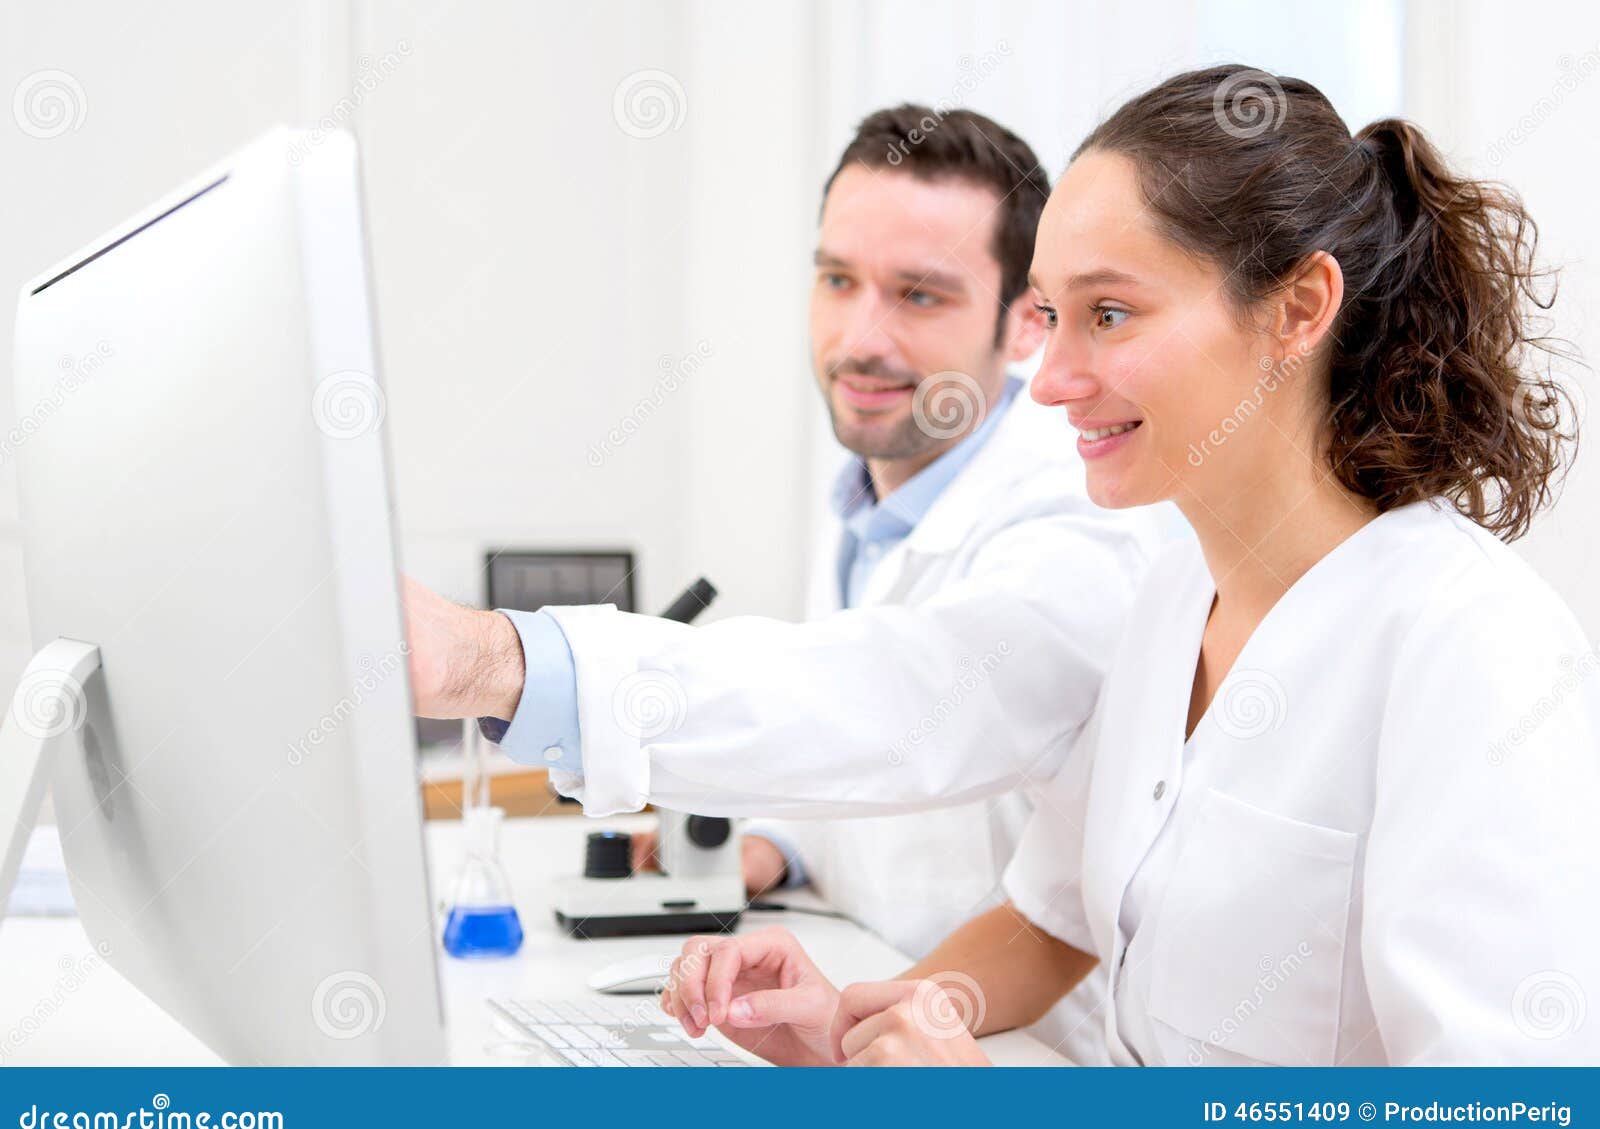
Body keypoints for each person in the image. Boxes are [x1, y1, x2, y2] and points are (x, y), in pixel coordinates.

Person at [658, 65, 1600, 1066]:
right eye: (1051, 317)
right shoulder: (1172, 597)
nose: (1055, 380)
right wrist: (853, 1022)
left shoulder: (1470, 644)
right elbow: (1053, 920)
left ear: (1296, 308)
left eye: (1107, 314)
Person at [403, 106, 1163, 1063]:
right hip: (875, 1009)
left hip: (1015, 1061)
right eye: (838, 279)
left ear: (1025, 324)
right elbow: (867, 755)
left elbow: (905, 705)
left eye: (920, 295)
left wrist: (493, 662)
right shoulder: (871, 495)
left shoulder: (1087, 524)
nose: (862, 339)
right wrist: (781, 843)